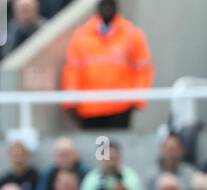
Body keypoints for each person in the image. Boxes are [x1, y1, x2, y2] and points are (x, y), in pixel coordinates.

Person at [60, 0, 154, 130]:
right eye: (104, 4)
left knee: (115, 147)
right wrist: (70, 103)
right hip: (90, 107)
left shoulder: (131, 34)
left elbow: (143, 69)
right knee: (99, 148)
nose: (107, 8)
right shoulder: (82, 35)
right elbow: (73, 71)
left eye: (110, 4)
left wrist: (137, 100)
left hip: (120, 107)